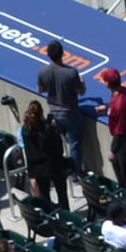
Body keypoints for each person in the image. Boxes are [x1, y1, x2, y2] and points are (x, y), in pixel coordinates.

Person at [34, 41, 85, 170]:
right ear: (62, 54)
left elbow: (40, 89)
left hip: (54, 114)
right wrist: (82, 82)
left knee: (59, 143)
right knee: (74, 143)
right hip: (70, 114)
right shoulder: (71, 72)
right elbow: (81, 92)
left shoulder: (43, 72)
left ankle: (60, 168)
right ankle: (74, 173)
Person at [94, 67, 126, 193]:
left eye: (104, 80)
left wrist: (113, 151)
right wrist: (107, 107)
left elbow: (120, 132)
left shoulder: (121, 104)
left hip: (125, 142)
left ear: (108, 83)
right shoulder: (124, 92)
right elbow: (116, 108)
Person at [20, 101, 69, 210]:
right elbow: (58, 147)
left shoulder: (25, 130)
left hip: (38, 169)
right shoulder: (48, 129)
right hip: (53, 165)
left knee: (44, 196)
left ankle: (50, 218)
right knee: (62, 194)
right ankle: (66, 218)